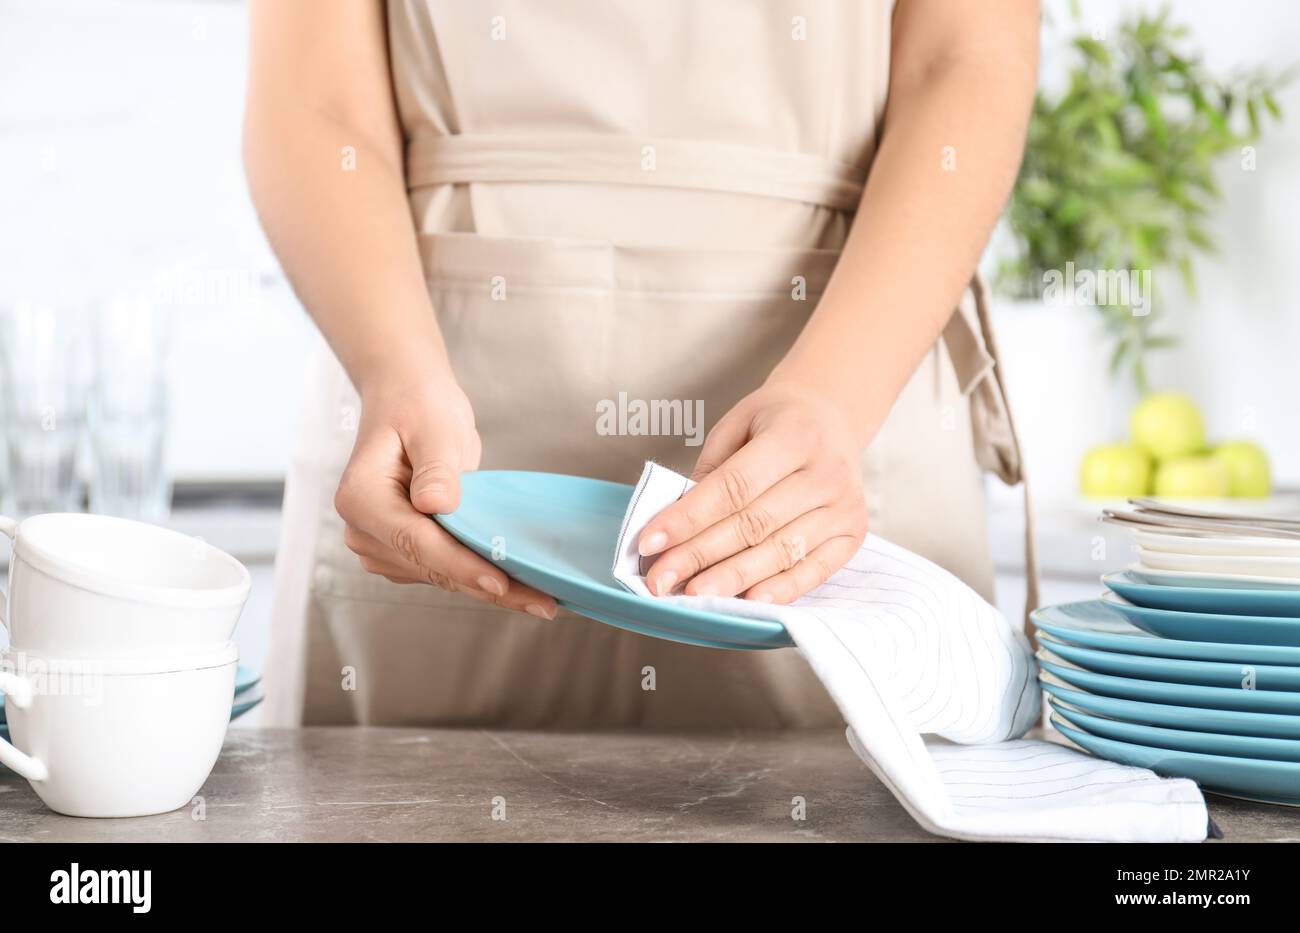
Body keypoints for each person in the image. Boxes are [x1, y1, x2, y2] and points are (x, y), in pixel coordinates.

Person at [244, 0, 1040, 728]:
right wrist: (393, 365)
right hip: (430, 420)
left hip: (849, 417)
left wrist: (834, 399)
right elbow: (318, 103)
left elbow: (967, 56)